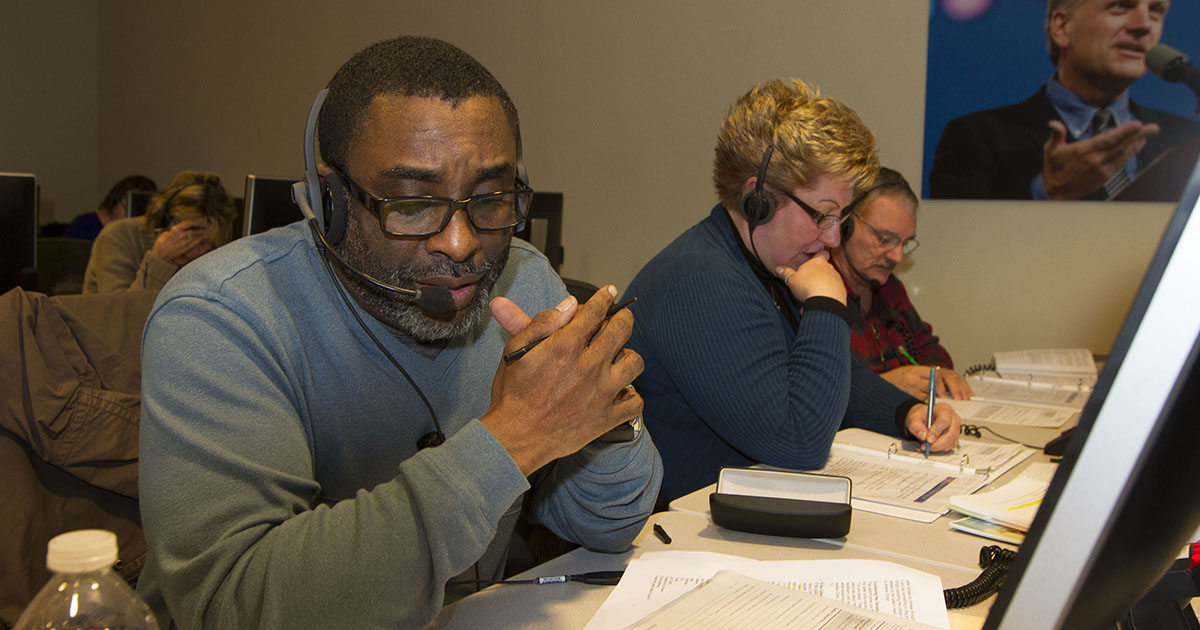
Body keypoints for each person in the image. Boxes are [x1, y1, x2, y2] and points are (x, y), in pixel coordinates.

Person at [136, 36, 661, 629]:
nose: (461, 244)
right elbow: (235, 607)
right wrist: (513, 437)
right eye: (412, 204)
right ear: (328, 199)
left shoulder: (523, 283)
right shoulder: (221, 317)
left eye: (490, 200)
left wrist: (603, 416)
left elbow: (608, 524)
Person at [623, 79, 960, 504]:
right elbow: (799, 443)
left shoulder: (764, 266)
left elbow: (829, 375)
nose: (834, 238)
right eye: (823, 215)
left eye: (841, 217)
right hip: (675, 537)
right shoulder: (701, 279)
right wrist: (825, 304)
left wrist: (904, 412)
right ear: (757, 199)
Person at [929, 0, 1200, 200]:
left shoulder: (1188, 139)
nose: (1143, 25)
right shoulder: (977, 139)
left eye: (1156, 11)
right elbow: (964, 245)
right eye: (1120, 6)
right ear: (1062, 26)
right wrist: (1049, 192)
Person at [831, 167, 973, 400]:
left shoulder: (889, 289)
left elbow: (929, 349)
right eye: (885, 239)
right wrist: (882, 385)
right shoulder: (817, 294)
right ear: (844, 224)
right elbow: (816, 390)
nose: (897, 257)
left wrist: (941, 374)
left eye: (904, 243)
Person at [81, 171, 237, 293]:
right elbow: (123, 319)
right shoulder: (118, 236)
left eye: (207, 244)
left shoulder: (206, 254)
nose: (199, 251)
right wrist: (159, 261)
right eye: (192, 238)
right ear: (164, 220)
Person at [63, 175, 157, 240]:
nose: (127, 214)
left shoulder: (141, 236)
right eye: (125, 206)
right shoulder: (84, 225)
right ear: (114, 201)